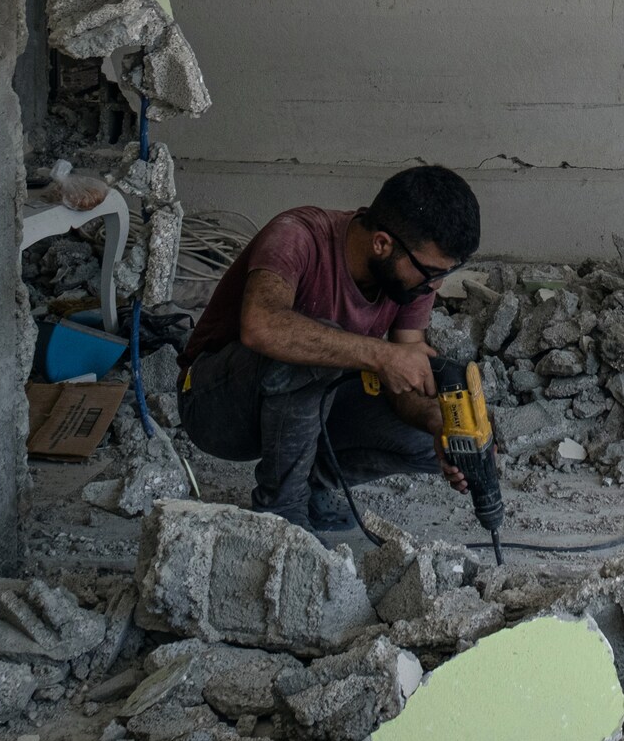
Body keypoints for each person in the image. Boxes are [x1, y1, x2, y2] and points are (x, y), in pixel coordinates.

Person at [178, 164, 481, 544]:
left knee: (429, 436)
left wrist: (442, 424)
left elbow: (405, 376)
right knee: (319, 343)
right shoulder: (298, 236)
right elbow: (261, 325)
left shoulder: (409, 281)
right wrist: (382, 356)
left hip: (309, 404)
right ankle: (281, 514)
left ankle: (309, 485)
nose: (435, 285)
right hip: (216, 404)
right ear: (382, 243)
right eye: (430, 271)